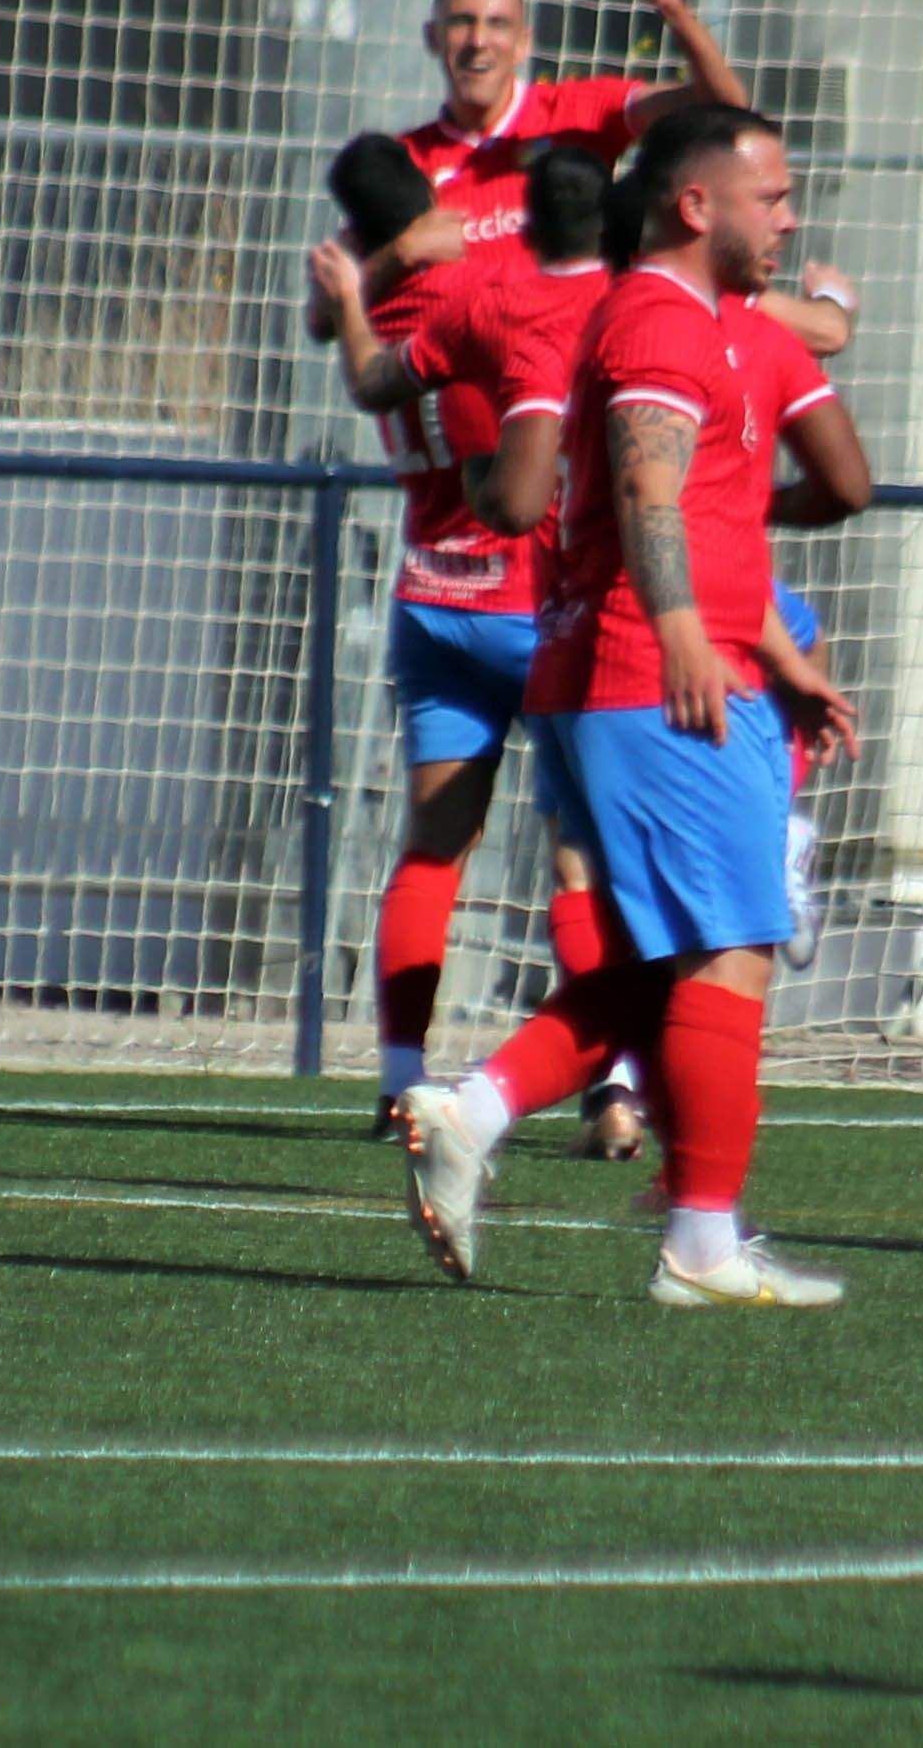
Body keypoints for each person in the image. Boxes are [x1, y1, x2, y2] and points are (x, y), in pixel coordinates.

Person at [396, 106, 870, 1309]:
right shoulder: (662, 318)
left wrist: (776, 649)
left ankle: (478, 1104)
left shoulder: (705, 320)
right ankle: (703, 1242)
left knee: (669, 967)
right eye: (771, 194)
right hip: (650, 674)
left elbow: (709, 520)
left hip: (633, 666)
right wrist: (677, 635)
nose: (790, 216)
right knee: (732, 949)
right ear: (696, 204)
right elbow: (652, 488)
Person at [309, 135, 622, 1146]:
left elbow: (361, 366)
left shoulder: (405, 306)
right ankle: (614, 1085)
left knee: (434, 850)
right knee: (580, 860)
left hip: (434, 594)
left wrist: (365, 278)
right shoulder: (495, 290)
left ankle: (401, 1077)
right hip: (534, 601)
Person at [340, 0, 752, 298]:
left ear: (523, 43)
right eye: (461, 23)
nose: (478, 41)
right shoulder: (403, 162)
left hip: (572, 375)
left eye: (497, 24)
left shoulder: (577, 112)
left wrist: (665, 1)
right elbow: (326, 312)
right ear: (432, 37)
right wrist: (404, 251)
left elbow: (727, 106)